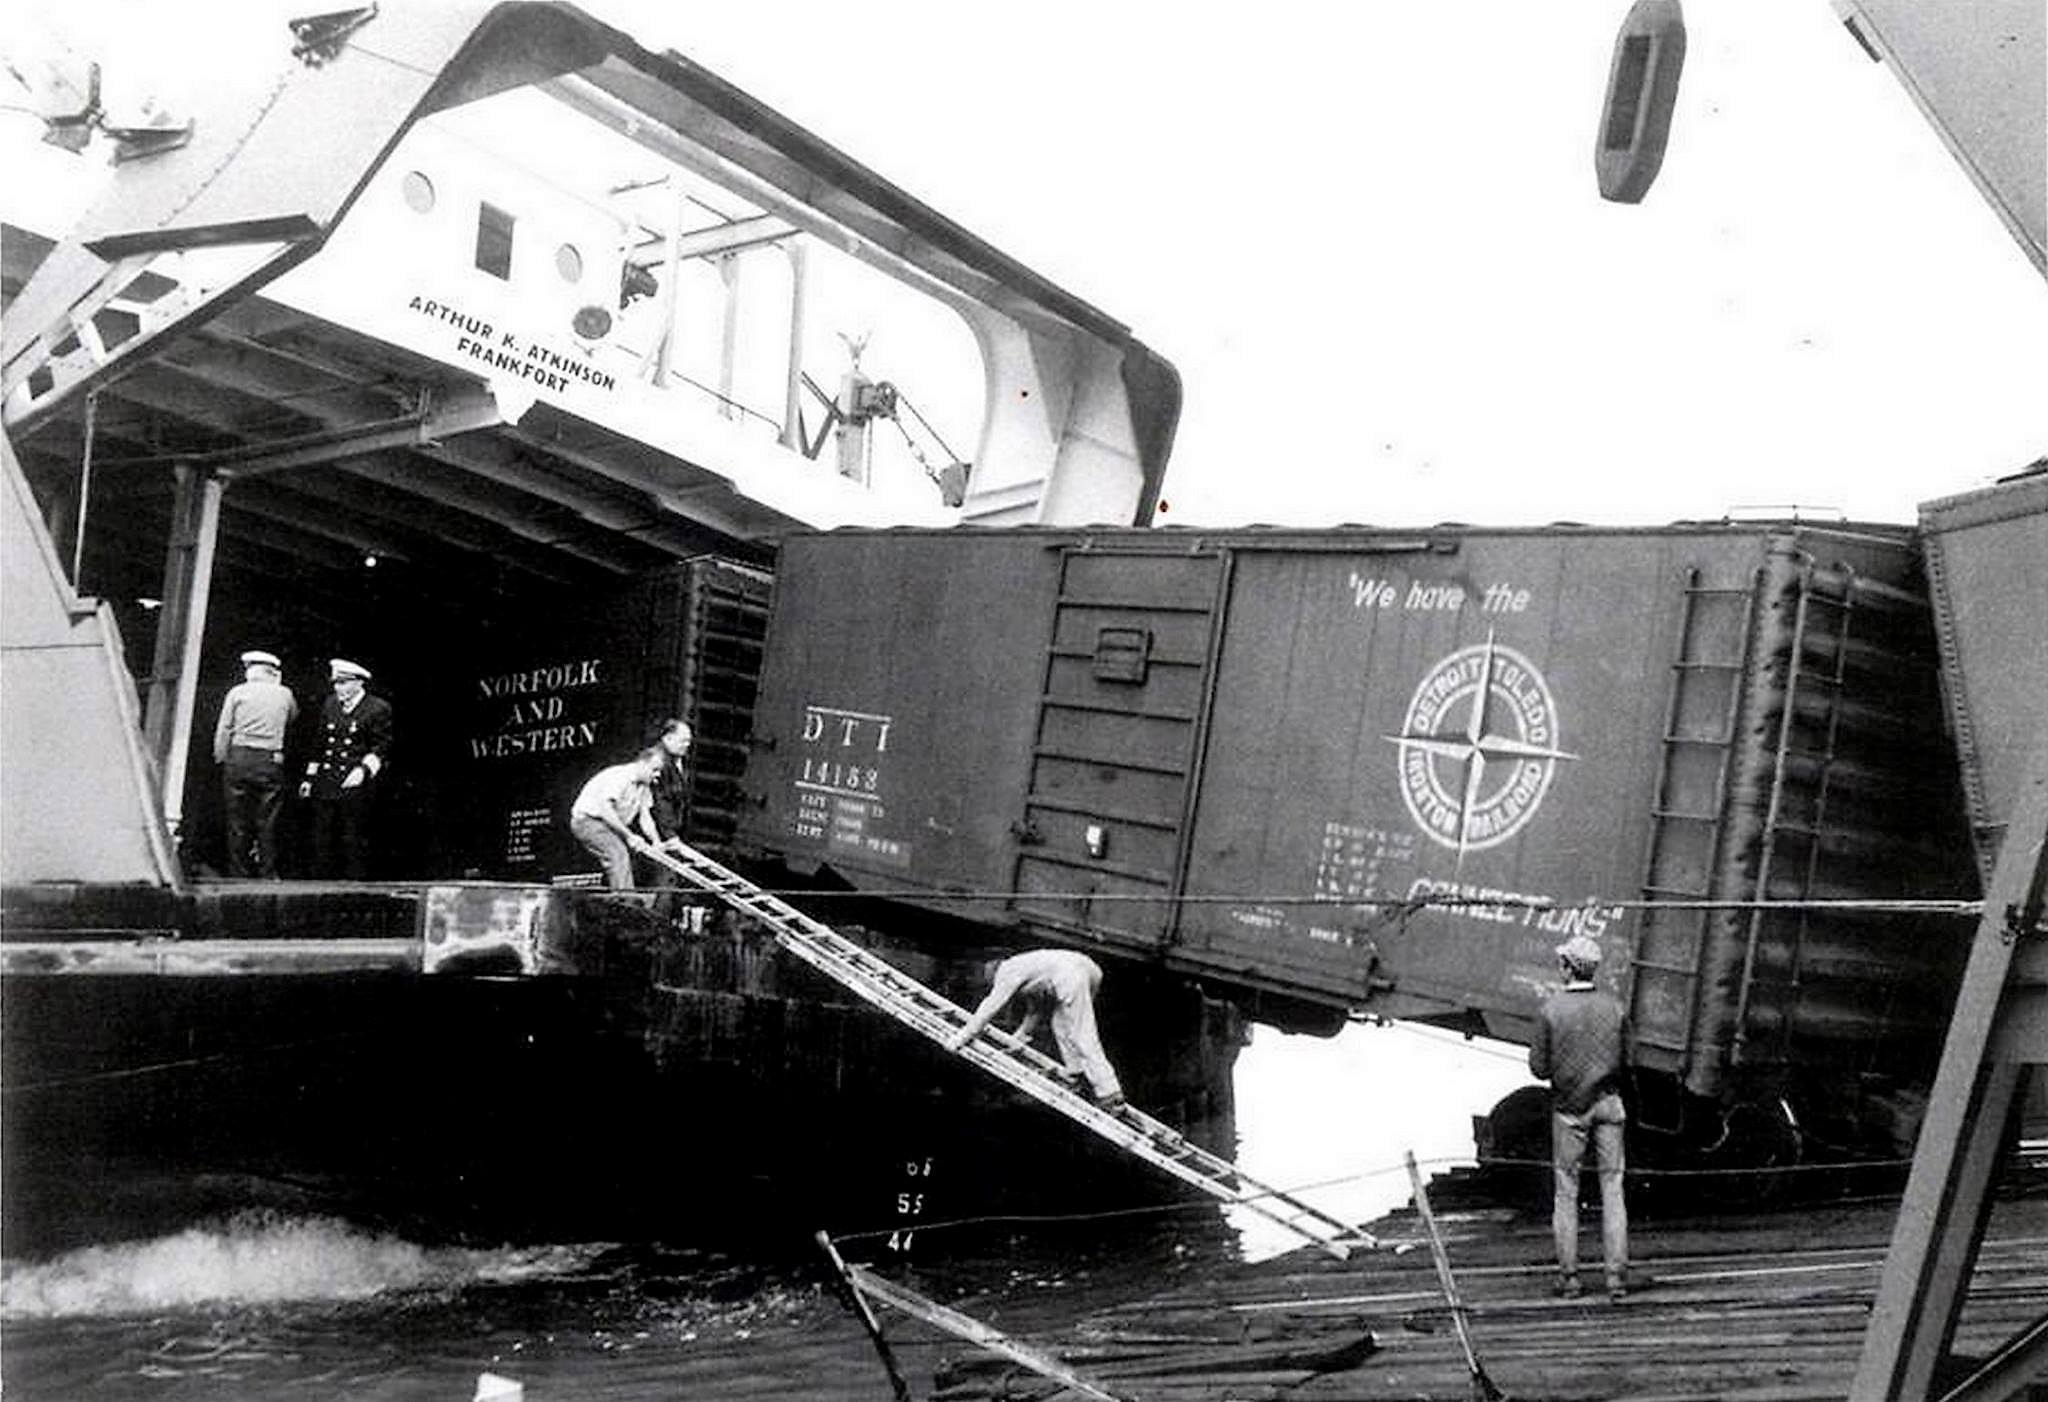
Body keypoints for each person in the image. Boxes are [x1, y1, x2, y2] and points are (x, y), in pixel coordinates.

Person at [1529, 933, 1630, 1302]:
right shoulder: (1614, 1007)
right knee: (1613, 1190)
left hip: (1570, 1109)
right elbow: (1626, 1060)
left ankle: (1570, 1279)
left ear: (1569, 968)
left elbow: (1538, 1069)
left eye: (1562, 962)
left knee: (1566, 1193)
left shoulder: (1550, 1010)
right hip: (1608, 1104)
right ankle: (1616, 1279)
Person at [947, 949, 1125, 1109]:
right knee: (1061, 1025)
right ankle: (1076, 1073)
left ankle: (1110, 1093)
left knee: (1081, 1034)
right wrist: (1018, 1039)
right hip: (1084, 968)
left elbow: (990, 1007)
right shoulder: (1030, 972)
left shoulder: (1007, 971)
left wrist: (961, 1037)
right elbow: (1035, 1013)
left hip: (1071, 973)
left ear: (993, 969)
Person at [299, 658, 393, 879]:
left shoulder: (377, 708)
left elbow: (381, 746)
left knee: (353, 834)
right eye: (335, 683)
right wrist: (309, 778)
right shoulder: (330, 704)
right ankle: (321, 882)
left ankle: (353, 882)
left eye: (342, 683)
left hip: (355, 779)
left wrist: (363, 770)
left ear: (358, 683)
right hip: (327, 779)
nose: (337, 688)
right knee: (322, 834)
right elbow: (320, 743)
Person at [212, 649, 298, 877]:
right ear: (272, 672)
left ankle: (237, 872)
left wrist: (222, 757)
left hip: (238, 758)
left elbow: (225, 728)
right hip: (269, 760)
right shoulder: (284, 694)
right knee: (268, 819)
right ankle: (268, 872)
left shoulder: (237, 692)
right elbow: (292, 719)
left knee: (237, 819)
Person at [568, 747, 672, 889]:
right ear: (642, 763)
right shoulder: (619, 776)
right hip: (588, 822)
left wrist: (656, 842)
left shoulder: (644, 787)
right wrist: (629, 836)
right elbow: (605, 810)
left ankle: (621, 897)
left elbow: (645, 817)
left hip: (610, 826)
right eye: (654, 770)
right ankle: (625, 903)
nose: (657, 775)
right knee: (618, 854)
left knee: (627, 858)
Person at [644, 718, 694, 883]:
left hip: (671, 831)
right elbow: (660, 801)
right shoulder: (658, 761)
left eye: (688, 741)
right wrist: (669, 834)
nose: (687, 745)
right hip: (660, 832)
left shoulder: (678, 761)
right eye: (683, 740)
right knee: (665, 878)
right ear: (667, 738)